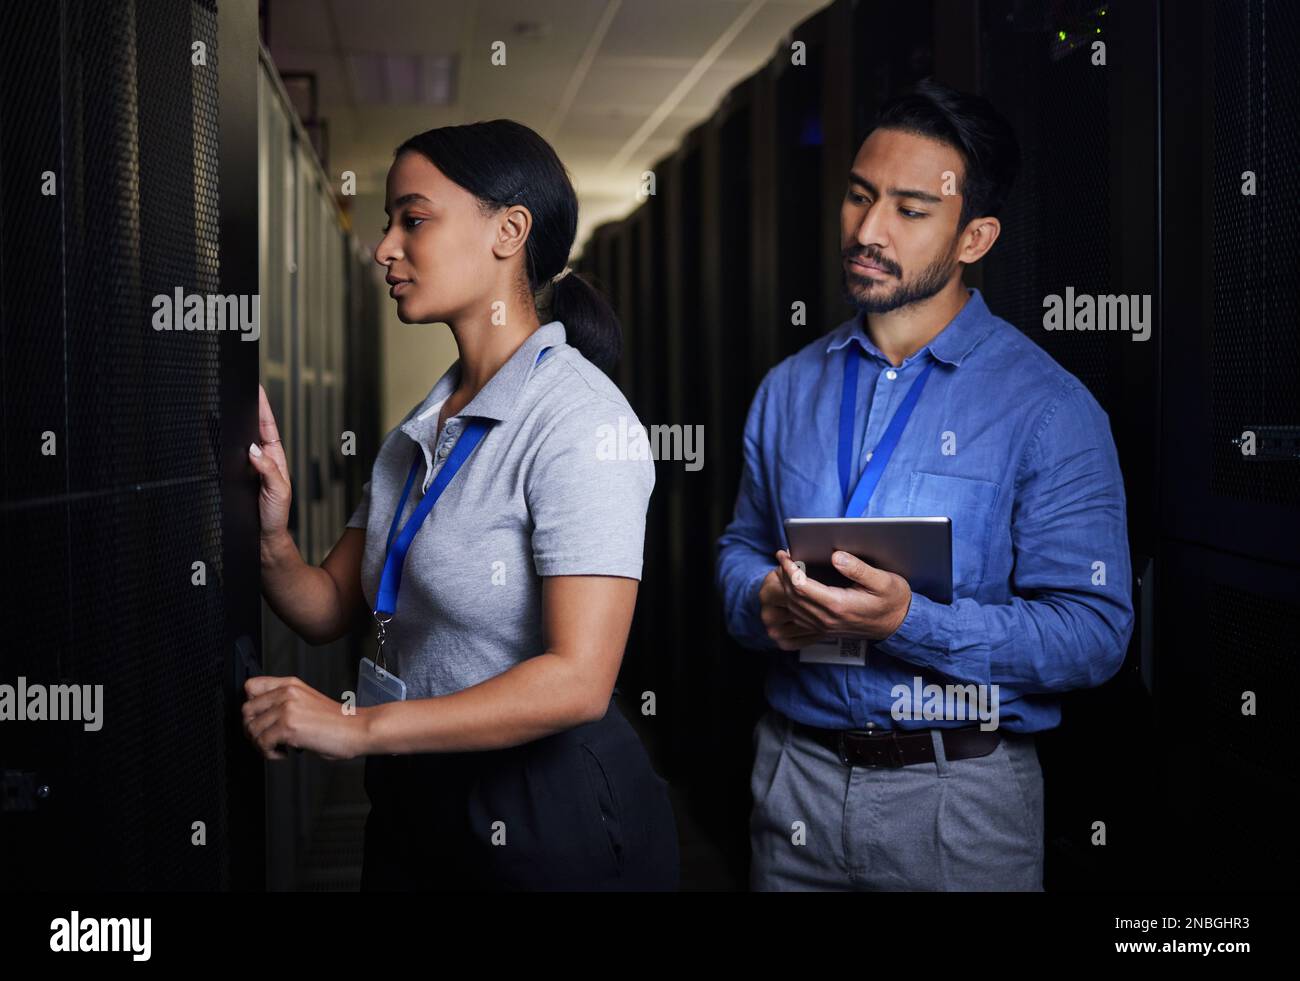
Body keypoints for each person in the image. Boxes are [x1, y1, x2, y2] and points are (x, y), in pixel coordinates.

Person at [716, 79, 1133, 891]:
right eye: (859, 197)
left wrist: (910, 621)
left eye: (909, 209)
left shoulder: (1048, 408)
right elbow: (738, 544)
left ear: (974, 235)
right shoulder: (787, 388)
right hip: (794, 777)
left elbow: (1095, 631)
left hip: (958, 802)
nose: (867, 230)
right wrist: (762, 600)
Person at [243, 118, 679, 891]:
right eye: (388, 224)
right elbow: (330, 604)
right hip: (414, 791)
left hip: (544, 809)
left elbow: (579, 678)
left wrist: (355, 726)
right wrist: (274, 536)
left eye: (413, 219)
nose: (385, 247)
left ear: (509, 231)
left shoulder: (579, 419)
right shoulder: (421, 428)